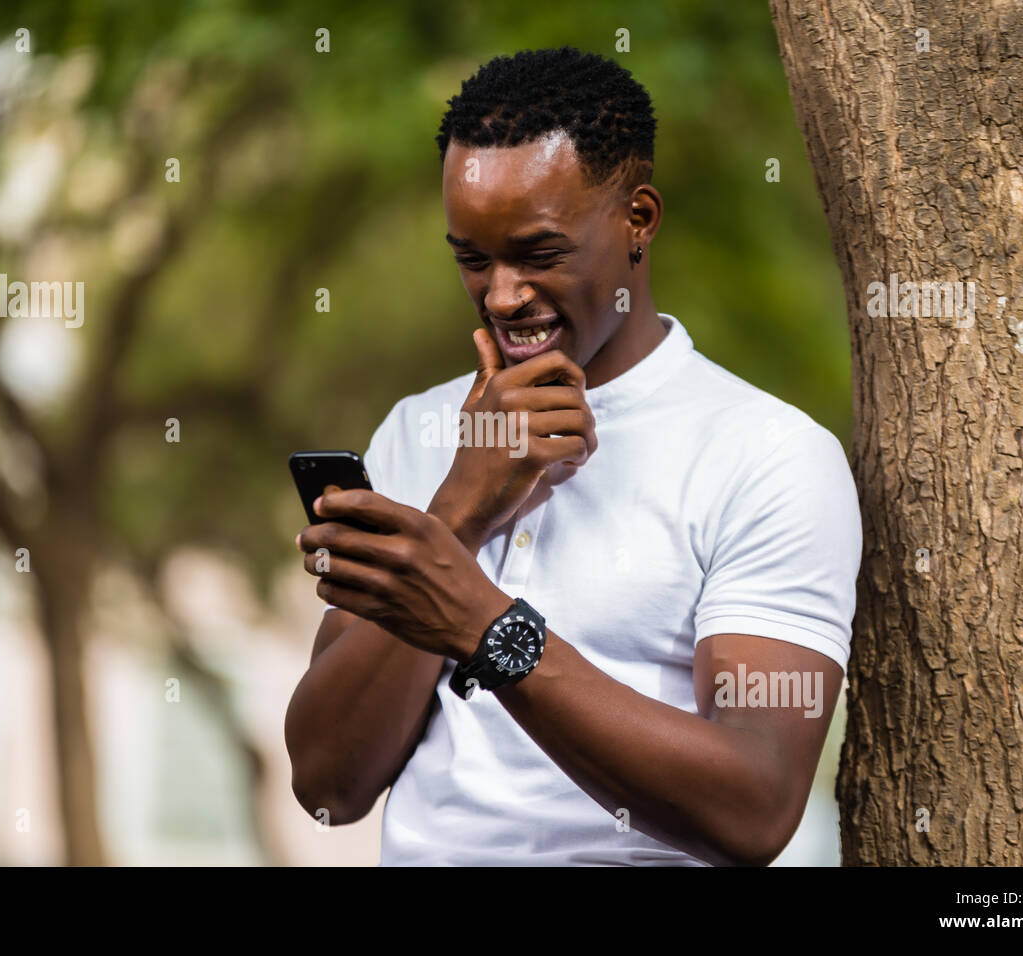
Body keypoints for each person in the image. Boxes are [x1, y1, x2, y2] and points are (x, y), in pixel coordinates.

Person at [284, 46, 861, 866]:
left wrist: (480, 622)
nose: (503, 294)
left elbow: (756, 805)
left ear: (639, 219)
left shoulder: (767, 455)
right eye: (472, 258)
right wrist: (460, 511)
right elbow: (326, 785)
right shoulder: (415, 433)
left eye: (539, 254)